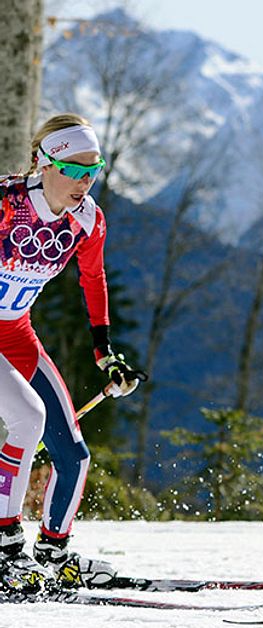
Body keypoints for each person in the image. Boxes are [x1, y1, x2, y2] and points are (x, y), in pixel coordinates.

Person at [0, 114, 145, 596]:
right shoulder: (5, 203)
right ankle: (4, 555)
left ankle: (54, 556)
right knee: (27, 416)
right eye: (75, 170)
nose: (85, 182)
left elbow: (93, 280)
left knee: (74, 455)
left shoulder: (88, 221)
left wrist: (105, 352)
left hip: (17, 334)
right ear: (44, 164)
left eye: (93, 170)